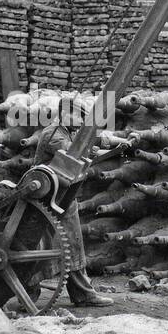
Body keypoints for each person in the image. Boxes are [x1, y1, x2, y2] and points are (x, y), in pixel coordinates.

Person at [30, 118, 114, 308]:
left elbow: (84, 145)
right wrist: (92, 148)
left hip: (61, 196)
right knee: (60, 244)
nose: (83, 121)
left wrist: (114, 144)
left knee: (67, 245)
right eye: (80, 116)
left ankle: (32, 293)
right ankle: (79, 295)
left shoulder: (66, 130)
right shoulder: (53, 134)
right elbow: (72, 150)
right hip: (50, 197)